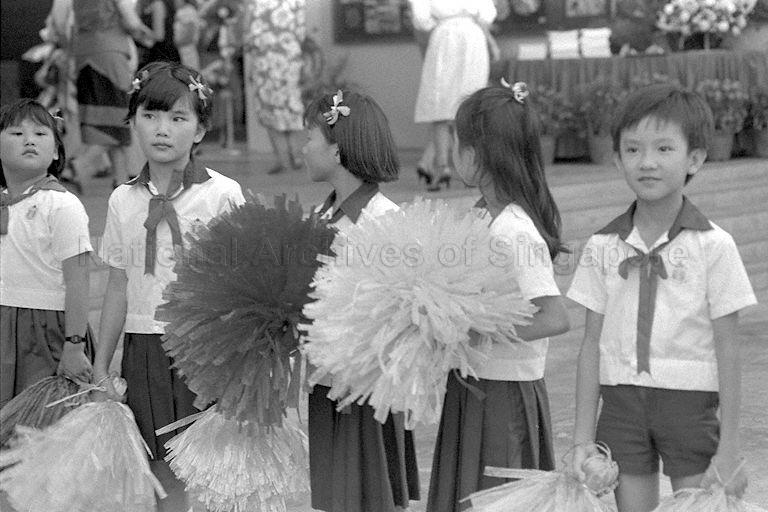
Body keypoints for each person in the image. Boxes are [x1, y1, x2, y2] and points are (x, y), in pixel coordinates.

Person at [568, 83, 757, 512]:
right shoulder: (603, 245)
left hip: (689, 404)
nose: (646, 162)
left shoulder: (714, 246)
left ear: (695, 158)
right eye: (632, 149)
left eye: (664, 149)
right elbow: (590, 346)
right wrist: (581, 440)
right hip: (620, 405)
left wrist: (730, 448)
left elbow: (729, 348)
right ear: (616, 157)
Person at [92, 62, 245, 510]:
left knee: (214, 474)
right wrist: (103, 364)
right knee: (159, 475)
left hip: (206, 351)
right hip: (143, 350)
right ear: (132, 121)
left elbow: (241, 286)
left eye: (178, 118)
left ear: (199, 131)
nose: (163, 129)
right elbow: (118, 284)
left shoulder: (222, 194)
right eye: (150, 116)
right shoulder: (123, 199)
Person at [427, 83, 571, 512]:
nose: (453, 151)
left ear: (479, 152)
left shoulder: (515, 230)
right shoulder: (481, 215)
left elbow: (554, 317)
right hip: (474, 386)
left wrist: (476, 327)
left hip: (504, 398)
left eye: (457, 141)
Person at [302, 89, 420, 512]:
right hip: (325, 385)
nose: (304, 148)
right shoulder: (319, 217)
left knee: (374, 498)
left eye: (309, 138)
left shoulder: (385, 220)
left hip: (371, 394)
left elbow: (406, 313)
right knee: (336, 499)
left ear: (336, 150)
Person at [0, 99, 93, 408]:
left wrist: (74, 345)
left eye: (40, 134)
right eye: (16, 133)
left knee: (41, 429)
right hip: (4, 322)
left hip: (46, 331)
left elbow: (79, 281)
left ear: (55, 152)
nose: (28, 140)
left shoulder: (62, 205)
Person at [410, 0, 497, 191]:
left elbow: (421, 19)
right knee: (470, 104)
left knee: (440, 104)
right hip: (473, 38)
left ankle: (442, 167)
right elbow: (487, 14)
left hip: (444, 37)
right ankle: (470, 169)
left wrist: (439, 22)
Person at [72, 0, 154, 187]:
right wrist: (146, 34)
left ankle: (121, 179)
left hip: (83, 54)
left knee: (101, 116)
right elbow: (131, 22)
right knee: (119, 116)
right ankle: (81, 164)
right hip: (110, 53)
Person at [245, 0, 306, 175]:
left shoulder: (257, 3)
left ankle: (282, 159)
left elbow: (251, 36)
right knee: (291, 106)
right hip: (289, 58)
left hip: (266, 61)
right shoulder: (297, 2)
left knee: (270, 109)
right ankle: (296, 156)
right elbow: (300, 33)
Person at [138, 0, 181, 68]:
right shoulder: (147, 5)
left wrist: (139, 26)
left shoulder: (158, 4)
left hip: (162, 54)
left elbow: (159, 36)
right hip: (155, 52)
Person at [173, 0, 201, 70]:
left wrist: (178, 43)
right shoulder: (181, 10)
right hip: (181, 48)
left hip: (187, 48)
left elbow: (190, 31)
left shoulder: (189, 11)